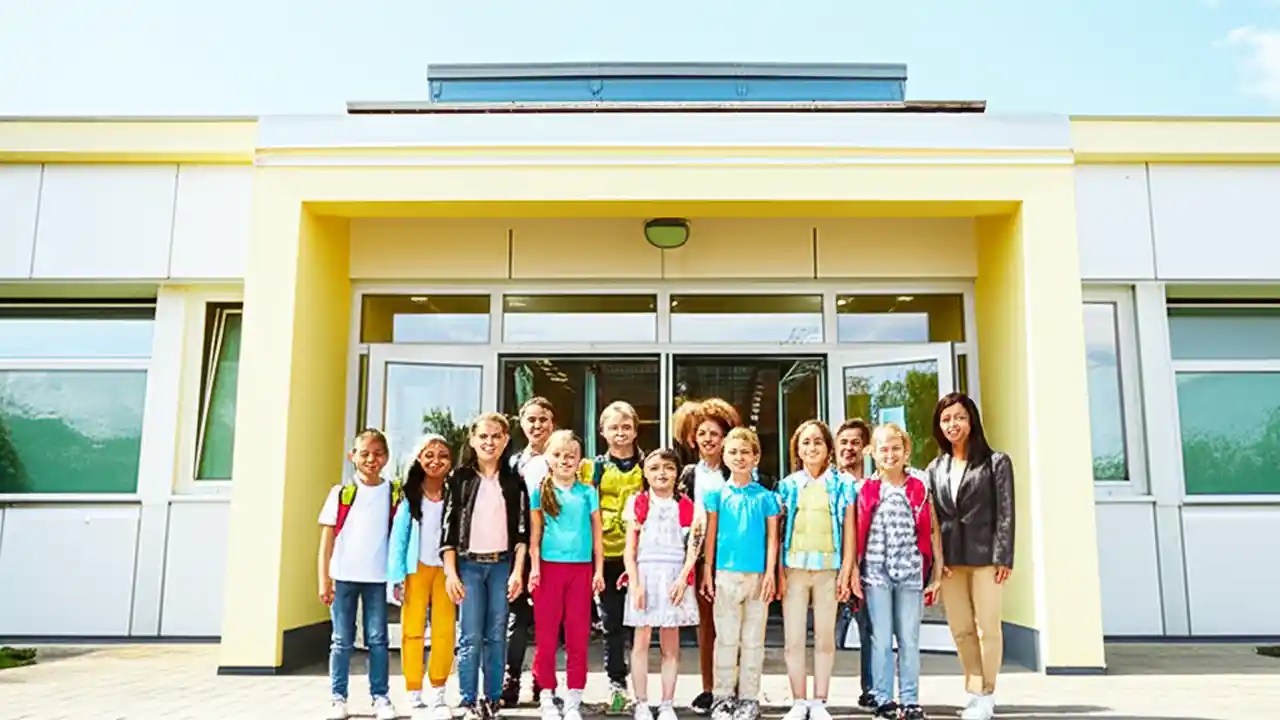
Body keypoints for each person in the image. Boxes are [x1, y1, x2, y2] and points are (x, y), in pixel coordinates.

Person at [923, 393, 1014, 720]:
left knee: (987, 627)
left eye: (958, 417)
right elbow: (933, 519)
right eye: (946, 420)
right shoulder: (935, 467)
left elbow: (1006, 512)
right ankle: (974, 690)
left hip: (986, 558)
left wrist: (1004, 556)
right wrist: (935, 563)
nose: (952, 425)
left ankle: (988, 693)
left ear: (971, 419)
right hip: (950, 561)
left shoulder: (996, 463)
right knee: (960, 629)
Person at [441, 412, 530, 720]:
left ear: (506, 441)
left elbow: (522, 532)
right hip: (468, 566)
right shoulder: (459, 479)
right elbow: (449, 529)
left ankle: (491, 699)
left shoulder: (514, 481)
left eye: (496, 436)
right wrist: (451, 572)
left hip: (501, 566)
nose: (489, 442)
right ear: (472, 440)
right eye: (483, 436)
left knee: (496, 633)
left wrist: (518, 571)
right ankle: (467, 700)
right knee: (469, 635)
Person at [854, 424, 943, 720]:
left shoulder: (918, 488)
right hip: (876, 574)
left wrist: (938, 571)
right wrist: (854, 570)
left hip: (910, 572)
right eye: (883, 449)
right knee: (880, 637)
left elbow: (932, 531)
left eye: (895, 448)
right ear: (874, 454)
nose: (890, 454)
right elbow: (857, 534)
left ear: (906, 451)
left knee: (909, 637)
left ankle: (910, 699)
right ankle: (883, 698)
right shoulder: (866, 489)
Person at [775, 420, 858, 720]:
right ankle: (798, 700)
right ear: (797, 448)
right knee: (794, 638)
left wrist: (846, 572)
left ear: (828, 449)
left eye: (818, 442)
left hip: (828, 570)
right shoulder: (787, 485)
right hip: (794, 570)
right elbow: (778, 532)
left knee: (825, 638)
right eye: (806, 442)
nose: (812, 448)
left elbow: (849, 531)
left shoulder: (843, 485)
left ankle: (820, 701)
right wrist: (777, 573)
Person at [317, 428, 401, 720]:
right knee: (342, 639)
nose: (371, 459)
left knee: (378, 638)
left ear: (387, 458)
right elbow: (327, 540)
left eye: (378, 453)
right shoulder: (341, 493)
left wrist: (398, 578)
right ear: (352, 456)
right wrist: (324, 579)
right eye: (364, 453)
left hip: (377, 578)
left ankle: (381, 696)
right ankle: (337, 697)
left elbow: (398, 537)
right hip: (343, 576)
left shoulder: (393, 494)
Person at [701, 427, 779, 720]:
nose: (739, 457)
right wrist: (707, 571)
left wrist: (771, 573)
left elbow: (773, 538)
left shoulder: (766, 498)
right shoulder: (716, 495)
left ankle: (748, 697)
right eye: (733, 452)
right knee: (726, 638)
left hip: (757, 577)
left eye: (746, 452)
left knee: (753, 640)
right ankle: (722, 696)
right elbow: (710, 536)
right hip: (725, 574)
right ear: (724, 456)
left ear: (756, 457)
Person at [529, 430, 605, 720]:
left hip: (581, 570)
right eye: (558, 455)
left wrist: (598, 570)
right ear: (548, 458)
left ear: (579, 459)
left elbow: (597, 536)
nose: (565, 460)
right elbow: (535, 536)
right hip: (549, 570)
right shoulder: (541, 490)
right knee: (547, 636)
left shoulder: (588, 492)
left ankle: (574, 696)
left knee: (577, 635)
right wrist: (534, 569)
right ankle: (547, 694)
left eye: (571, 455)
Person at [623, 448, 703, 720]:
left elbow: (693, 546)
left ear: (677, 472)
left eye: (668, 467)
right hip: (645, 574)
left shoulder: (687, 506)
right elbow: (629, 550)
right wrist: (635, 584)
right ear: (645, 472)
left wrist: (683, 578)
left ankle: (667, 702)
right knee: (641, 641)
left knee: (671, 644)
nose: (662, 473)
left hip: (674, 575)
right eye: (655, 468)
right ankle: (642, 702)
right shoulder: (638, 502)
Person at [581, 400, 647, 714]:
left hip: (641, 555)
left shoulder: (647, 465)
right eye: (613, 427)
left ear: (635, 430)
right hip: (606, 555)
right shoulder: (592, 468)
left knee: (641, 623)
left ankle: (643, 686)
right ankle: (616, 683)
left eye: (626, 427)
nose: (620, 433)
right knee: (611, 623)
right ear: (602, 431)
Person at [676, 398, 740, 715]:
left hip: (735, 556)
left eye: (715, 433)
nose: (708, 439)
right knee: (707, 627)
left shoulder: (738, 470)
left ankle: (735, 687)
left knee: (733, 626)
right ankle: (708, 688)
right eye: (702, 433)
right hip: (701, 558)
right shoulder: (689, 474)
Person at [388, 434, 455, 719]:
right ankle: (413, 691)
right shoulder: (410, 497)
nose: (435, 460)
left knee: (444, 631)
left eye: (442, 455)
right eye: (429, 455)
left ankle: (439, 690)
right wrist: (396, 577)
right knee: (412, 631)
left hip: (445, 570)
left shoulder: (455, 494)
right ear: (418, 459)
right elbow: (398, 540)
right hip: (415, 569)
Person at [503, 397, 557, 708]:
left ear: (553, 423)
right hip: (519, 548)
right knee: (517, 617)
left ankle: (542, 678)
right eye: (531, 420)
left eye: (543, 420)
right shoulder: (512, 463)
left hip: (554, 549)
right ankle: (512, 677)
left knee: (549, 619)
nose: (537, 425)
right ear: (522, 424)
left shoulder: (562, 459)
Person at [834, 418, 876, 710]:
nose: (849, 448)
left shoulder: (874, 487)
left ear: (866, 448)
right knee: (824, 636)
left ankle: (871, 690)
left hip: (869, 569)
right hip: (831, 570)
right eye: (844, 443)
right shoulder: (828, 485)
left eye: (855, 442)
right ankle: (812, 698)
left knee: (870, 632)